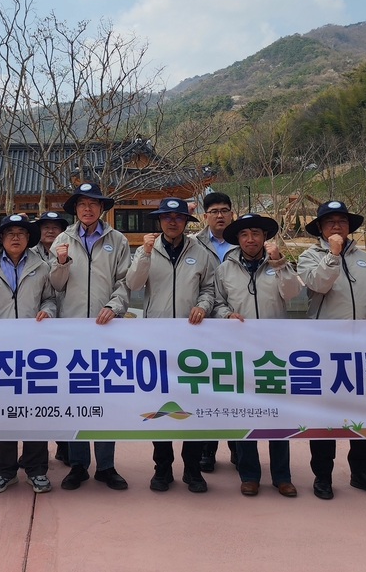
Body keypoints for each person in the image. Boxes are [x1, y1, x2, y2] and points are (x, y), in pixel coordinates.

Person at [297, 200, 366, 500]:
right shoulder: (309, 257)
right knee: (325, 416)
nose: (337, 225)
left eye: (342, 220)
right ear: (320, 228)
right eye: (330, 221)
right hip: (325, 350)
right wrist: (333, 254)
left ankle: (363, 474)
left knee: (364, 414)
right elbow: (318, 285)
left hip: (364, 350)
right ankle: (322, 476)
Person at [126, 198, 215, 493]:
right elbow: (134, 284)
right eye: (167, 217)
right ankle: (162, 468)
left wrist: (203, 305)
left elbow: (210, 289)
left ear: (186, 222)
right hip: (158, 339)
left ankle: (192, 469)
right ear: (160, 220)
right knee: (160, 406)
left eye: (178, 217)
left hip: (193, 340)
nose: (173, 221)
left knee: (193, 405)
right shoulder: (147, 250)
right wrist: (145, 253)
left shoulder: (200, 251)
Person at [49, 182, 131, 491]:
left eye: (93, 203)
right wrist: (60, 263)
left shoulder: (118, 240)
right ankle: (78, 465)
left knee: (105, 397)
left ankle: (106, 466)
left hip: (106, 329)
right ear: (75, 209)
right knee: (75, 396)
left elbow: (124, 282)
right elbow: (54, 286)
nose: (87, 208)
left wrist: (114, 306)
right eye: (82, 204)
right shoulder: (62, 239)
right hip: (71, 331)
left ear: (101, 208)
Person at [0, 214, 57, 494]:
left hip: (33, 350)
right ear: (1, 238)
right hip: (0, 350)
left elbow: (50, 298)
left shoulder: (41, 266)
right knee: (3, 411)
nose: (16, 237)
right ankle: (4, 471)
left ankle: (36, 469)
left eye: (21, 233)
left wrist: (48, 311)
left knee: (34, 411)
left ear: (29, 238)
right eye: (10, 233)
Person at [213, 213, 301, 498]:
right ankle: (249, 475)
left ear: (265, 237)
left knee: (277, 413)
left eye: (255, 233)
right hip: (239, 351)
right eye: (244, 234)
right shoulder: (225, 269)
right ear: (238, 239)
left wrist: (279, 262)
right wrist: (226, 314)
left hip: (274, 352)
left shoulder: (278, 263)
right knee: (244, 413)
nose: (250, 239)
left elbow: (293, 293)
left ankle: (282, 476)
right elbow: (217, 302)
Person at [193, 191, 236, 472]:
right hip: (206, 326)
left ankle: (238, 446)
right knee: (207, 389)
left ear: (232, 213)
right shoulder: (193, 244)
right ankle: (207, 450)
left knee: (237, 387)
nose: (220, 215)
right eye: (214, 211)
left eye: (224, 210)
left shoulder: (245, 239)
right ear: (205, 216)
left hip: (239, 325)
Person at [32, 210, 71, 466]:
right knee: (37, 391)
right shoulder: (28, 253)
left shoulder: (71, 251)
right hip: (35, 329)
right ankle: (36, 449)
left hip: (65, 325)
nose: (49, 230)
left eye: (55, 226)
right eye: (44, 226)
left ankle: (65, 445)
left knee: (64, 389)